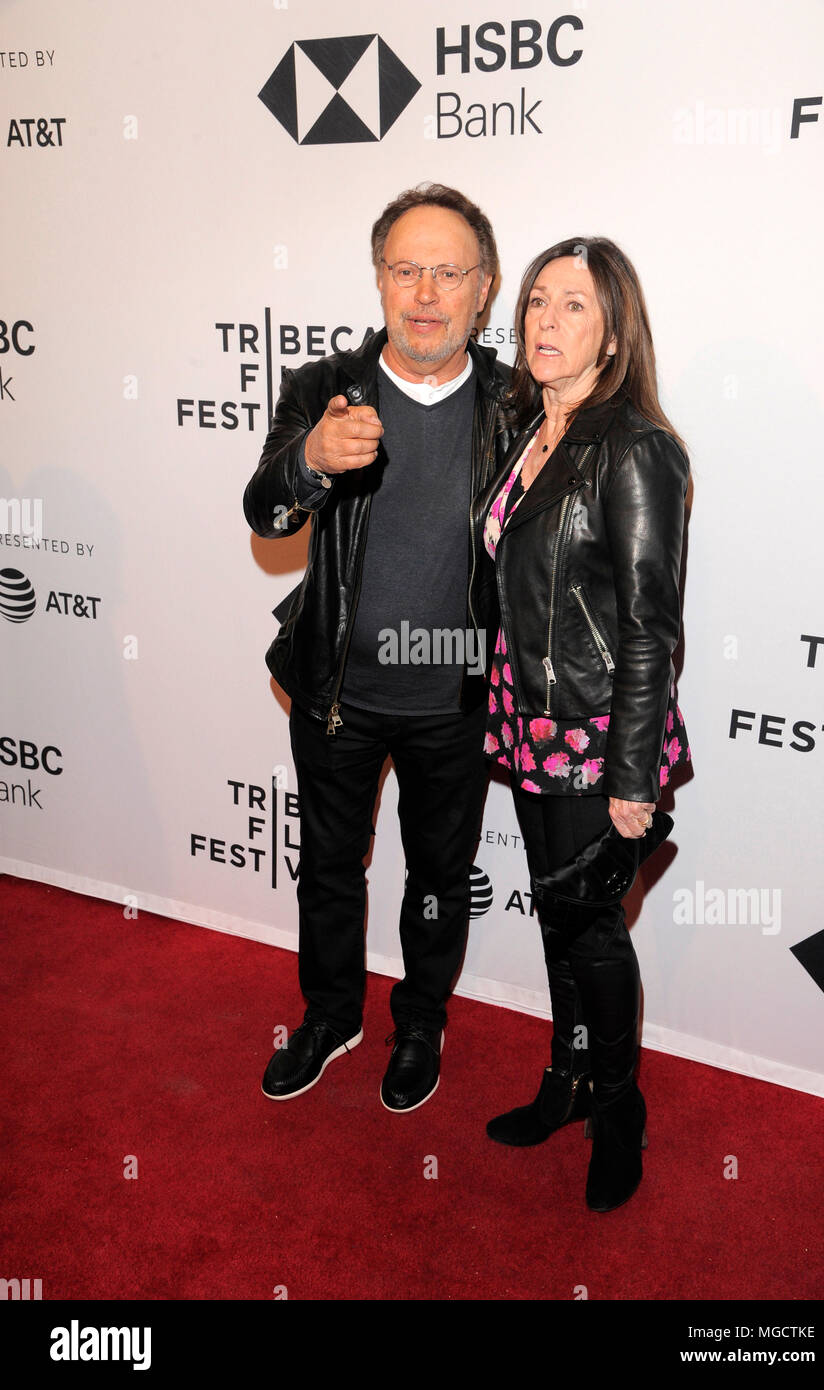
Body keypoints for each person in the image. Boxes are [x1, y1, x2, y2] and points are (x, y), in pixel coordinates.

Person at [243, 184, 512, 1113]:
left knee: (440, 878)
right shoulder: (321, 391)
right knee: (327, 863)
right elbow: (264, 512)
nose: (425, 292)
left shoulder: (518, 408)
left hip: (456, 702)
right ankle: (328, 1017)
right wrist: (310, 457)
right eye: (406, 269)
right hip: (336, 693)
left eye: (448, 272)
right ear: (378, 281)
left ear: (484, 289)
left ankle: (421, 1023)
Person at [472, 237, 690, 1211]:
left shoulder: (634, 445)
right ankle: (564, 1080)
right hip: (528, 713)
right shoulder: (529, 427)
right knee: (562, 920)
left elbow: (650, 621)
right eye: (536, 302)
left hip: (601, 731)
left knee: (592, 929)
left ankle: (618, 1111)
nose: (545, 322)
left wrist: (632, 776)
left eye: (573, 307)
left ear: (612, 335)